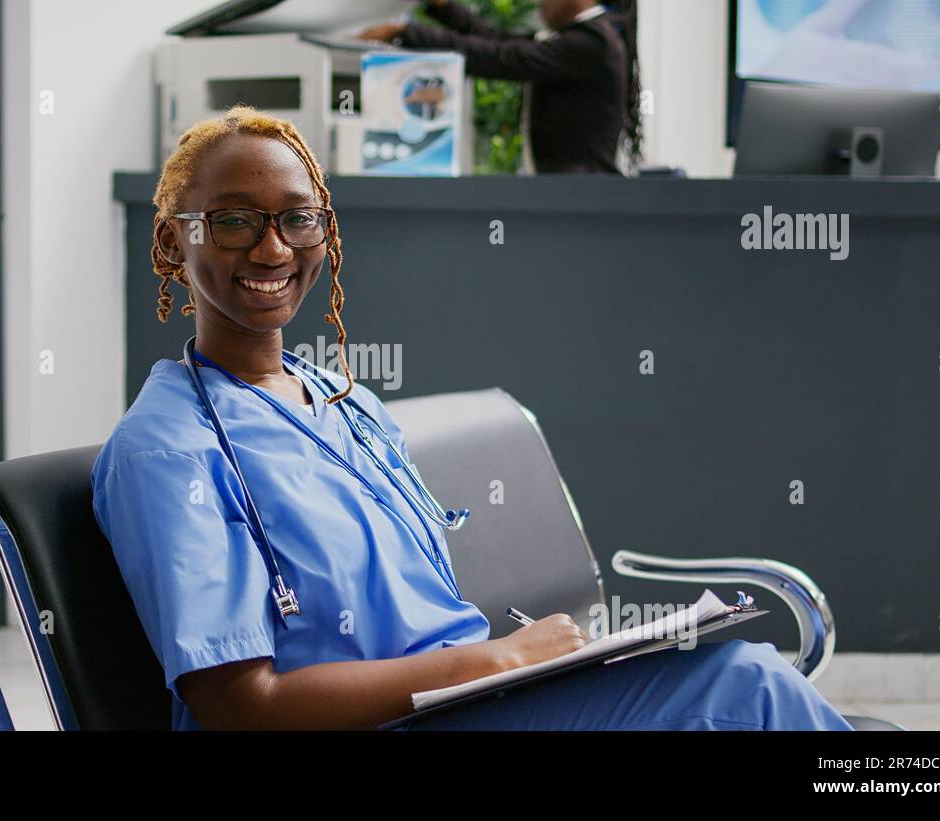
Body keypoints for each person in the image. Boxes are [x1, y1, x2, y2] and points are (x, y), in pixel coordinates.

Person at [90, 104, 853, 731]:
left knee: (722, 684)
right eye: (232, 221)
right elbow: (239, 709)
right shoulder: (169, 450)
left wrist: (520, 667)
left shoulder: (345, 404)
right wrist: (499, 660)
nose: (272, 246)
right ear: (171, 239)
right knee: (743, 688)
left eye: (299, 219)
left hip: (474, 703)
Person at [359, 0, 641, 174]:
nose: (541, 5)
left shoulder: (591, 44)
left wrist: (406, 32)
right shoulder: (585, 38)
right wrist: (443, 8)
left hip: (579, 191)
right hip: (573, 187)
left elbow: (503, 58)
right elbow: (500, 42)